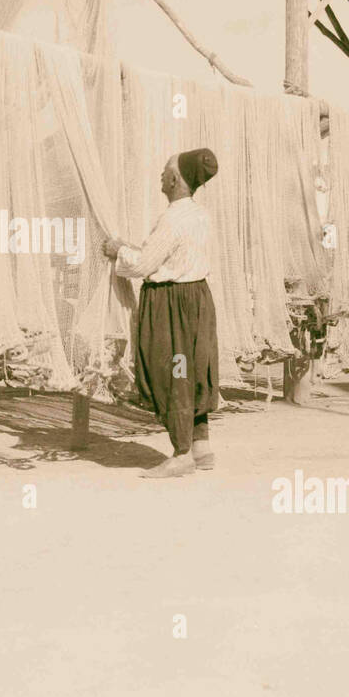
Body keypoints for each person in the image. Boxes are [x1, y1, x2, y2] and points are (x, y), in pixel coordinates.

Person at [102, 148, 219, 479]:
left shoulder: (173, 219)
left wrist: (117, 250)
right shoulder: (199, 215)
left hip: (172, 306)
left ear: (175, 179)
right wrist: (133, 250)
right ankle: (201, 446)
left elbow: (143, 265)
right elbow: (167, 257)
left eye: (166, 170)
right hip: (197, 300)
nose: (161, 175)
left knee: (175, 371)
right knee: (192, 368)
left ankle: (181, 455)